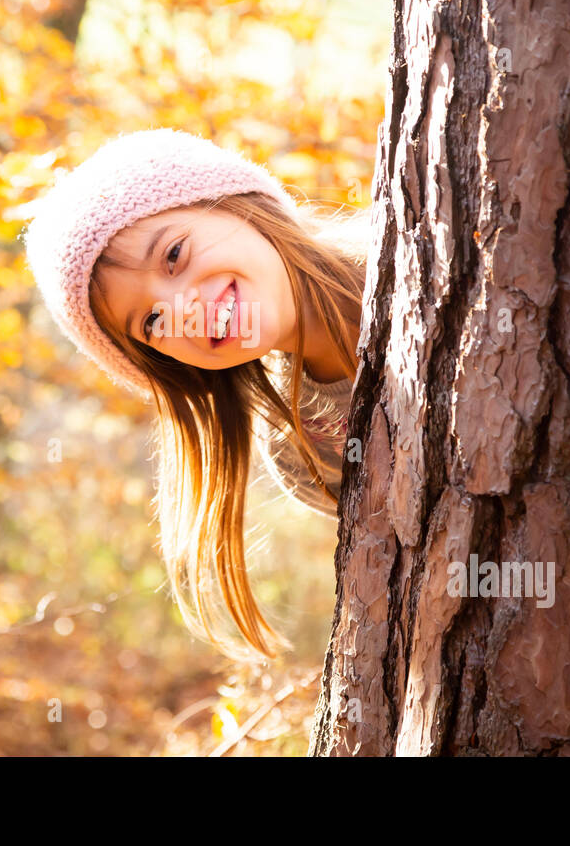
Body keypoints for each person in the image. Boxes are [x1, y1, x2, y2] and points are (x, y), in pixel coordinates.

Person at [21, 127, 372, 661]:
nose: (182, 310)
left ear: (237, 205)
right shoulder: (302, 446)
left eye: (174, 254)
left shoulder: (427, 254)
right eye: (152, 319)